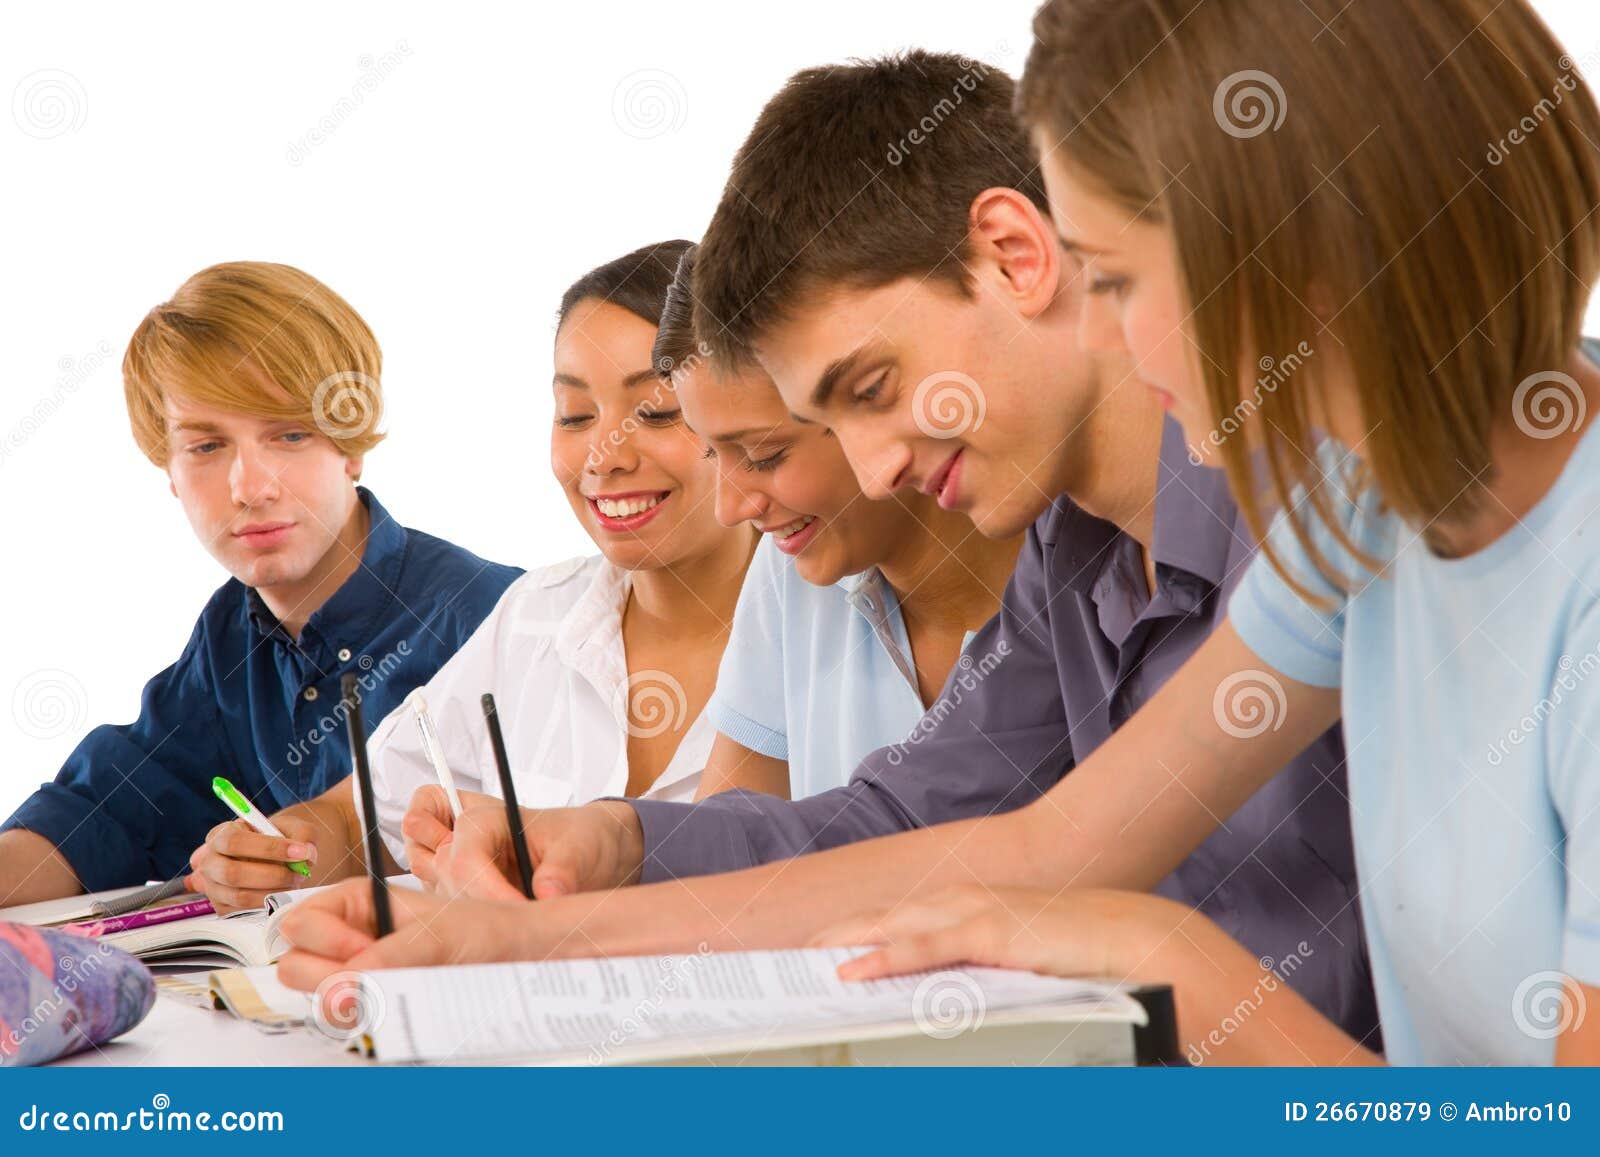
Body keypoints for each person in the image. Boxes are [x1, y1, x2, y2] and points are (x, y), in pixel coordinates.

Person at [277, 52, 1376, 1043]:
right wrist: (612, 847)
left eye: (872, 388)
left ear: (1012, 252)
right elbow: (916, 825)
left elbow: (1053, 854)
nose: (876, 465)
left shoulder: (1341, 494)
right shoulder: (1073, 547)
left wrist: (534, 943)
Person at [823, 0, 1600, 1067]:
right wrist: (549, 931)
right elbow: (1052, 847)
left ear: (1299, 246)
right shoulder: (1367, 496)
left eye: (1114, 279)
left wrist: (1169, 956)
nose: (1094, 333)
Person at [188, 242, 760, 909]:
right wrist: (284, 849)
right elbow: (357, 820)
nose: (602, 456)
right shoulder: (535, 615)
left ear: (744, 408)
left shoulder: (827, 622)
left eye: (657, 411)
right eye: (575, 416)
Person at [0, 261, 521, 907]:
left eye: (290, 433)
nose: (250, 487)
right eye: (206, 447)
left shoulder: (499, 618)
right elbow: (109, 807)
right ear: (168, 470)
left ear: (351, 444)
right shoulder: (230, 637)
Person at [653, 247, 1022, 804]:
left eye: (764, 455)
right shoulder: (792, 568)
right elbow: (732, 849)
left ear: (871, 397)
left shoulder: (1081, 583)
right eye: (712, 454)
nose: (731, 510)